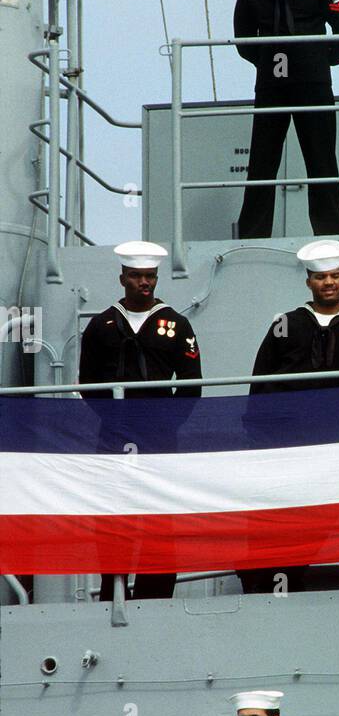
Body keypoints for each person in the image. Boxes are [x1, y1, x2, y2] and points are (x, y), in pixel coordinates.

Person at [240, 238, 339, 593]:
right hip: (279, 443)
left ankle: (291, 580)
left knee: (315, 518)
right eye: (321, 277)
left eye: (336, 275)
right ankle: (256, 583)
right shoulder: (285, 324)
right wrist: (257, 437)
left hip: (327, 444)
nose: (329, 282)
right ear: (308, 282)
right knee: (271, 516)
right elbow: (259, 382)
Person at [78, 240, 202, 601]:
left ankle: (156, 595)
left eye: (150, 276)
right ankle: (112, 592)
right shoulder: (101, 326)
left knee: (160, 517)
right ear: (122, 278)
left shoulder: (176, 324)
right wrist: (116, 418)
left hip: (160, 439)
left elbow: (191, 384)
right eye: (136, 276)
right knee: (113, 517)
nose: (144, 282)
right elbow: (88, 384)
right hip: (112, 437)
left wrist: (164, 423)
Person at [234, 0, 339, 239]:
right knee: (262, 160)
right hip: (271, 86)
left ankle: (331, 233)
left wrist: (320, 61)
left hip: (313, 85)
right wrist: (267, 62)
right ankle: (253, 235)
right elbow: (243, 40)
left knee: (321, 158)